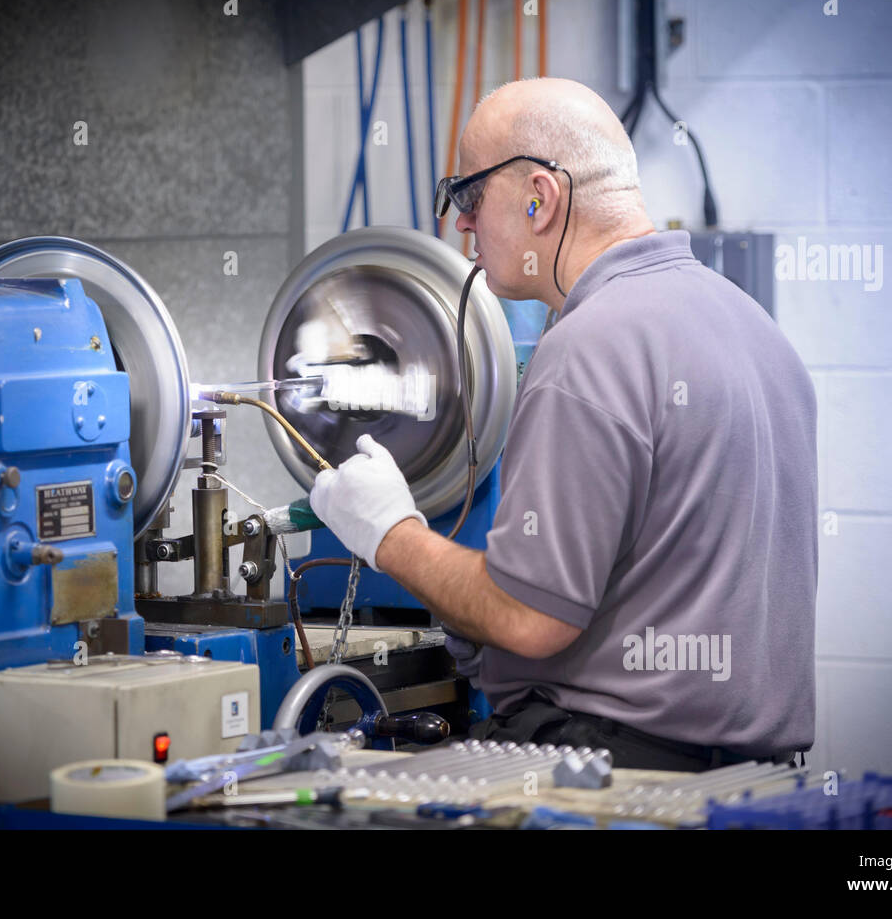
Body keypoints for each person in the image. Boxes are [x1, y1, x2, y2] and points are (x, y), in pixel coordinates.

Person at [309, 77, 817, 771]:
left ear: (539, 198)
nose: (461, 223)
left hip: (614, 770)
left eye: (468, 195)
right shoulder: (756, 329)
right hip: (750, 777)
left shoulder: (589, 347)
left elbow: (528, 617)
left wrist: (388, 533)